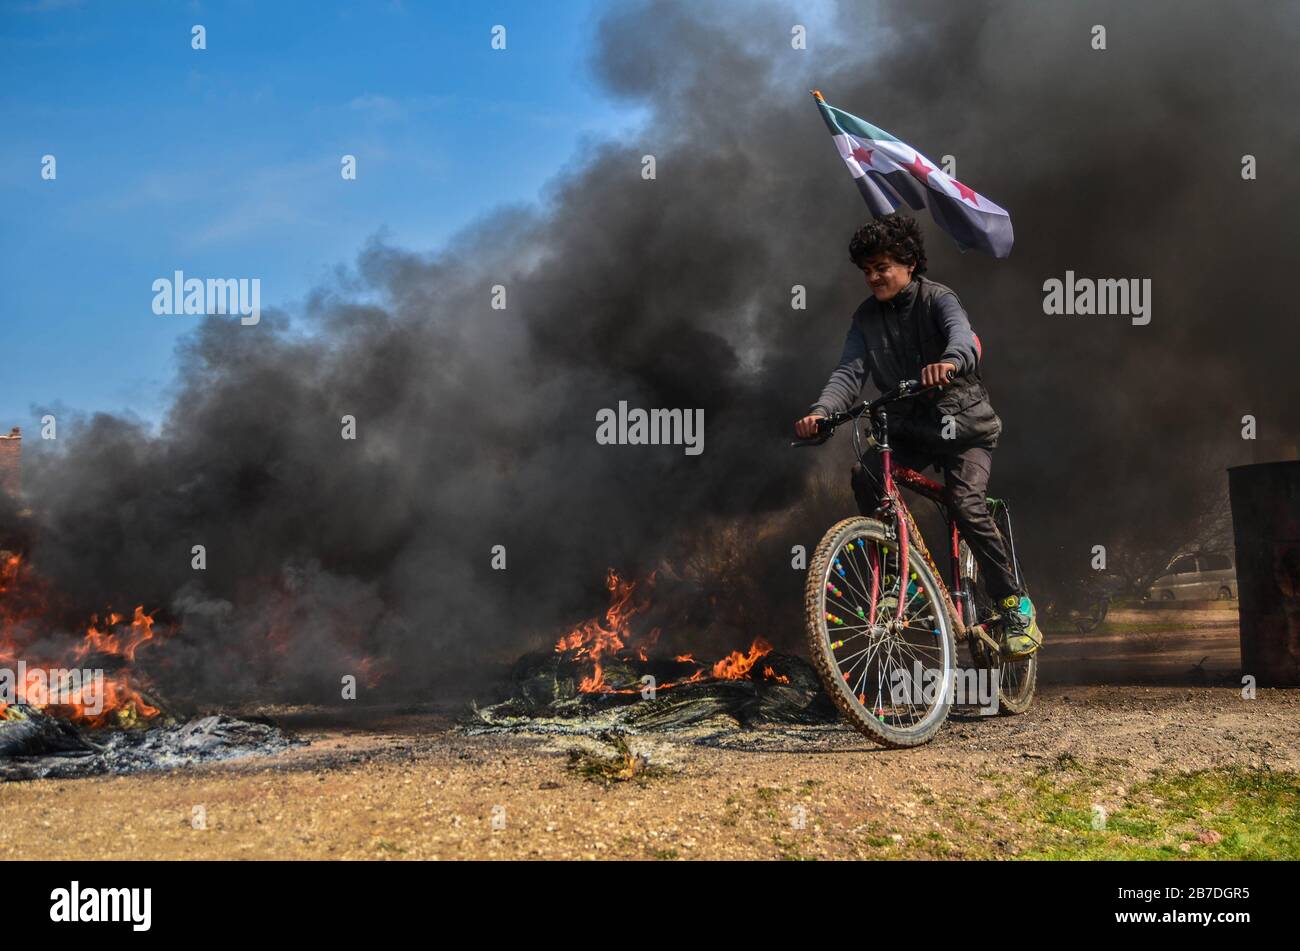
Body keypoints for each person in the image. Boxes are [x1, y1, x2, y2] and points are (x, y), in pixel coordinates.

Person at [794, 213, 1041, 657]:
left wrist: (948, 362)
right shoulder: (865, 319)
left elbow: (964, 340)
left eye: (882, 267)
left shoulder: (939, 299)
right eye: (866, 270)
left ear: (908, 263)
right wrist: (821, 411)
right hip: (910, 427)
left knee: (965, 504)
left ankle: (1013, 602)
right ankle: (896, 575)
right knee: (867, 474)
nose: (872, 277)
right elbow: (849, 372)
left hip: (965, 428)